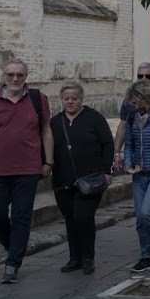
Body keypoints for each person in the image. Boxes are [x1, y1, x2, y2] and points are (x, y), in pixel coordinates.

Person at [0, 59, 53, 284]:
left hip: (28, 170)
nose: (15, 79)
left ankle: (13, 264)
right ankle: (12, 246)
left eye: (20, 75)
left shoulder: (38, 99)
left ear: (26, 77)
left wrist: (49, 162)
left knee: (21, 216)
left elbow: (46, 130)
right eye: (10, 74)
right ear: (4, 76)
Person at [49, 81, 115, 275]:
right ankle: (74, 258)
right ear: (61, 100)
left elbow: (108, 144)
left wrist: (107, 171)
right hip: (62, 180)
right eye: (66, 98)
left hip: (90, 179)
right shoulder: (55, 122)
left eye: (74, 98)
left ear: (81, 99)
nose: (70, 102)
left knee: (83, 216)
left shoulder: (94, 118)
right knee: (70, 218)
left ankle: (88, 257)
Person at [122, 79, 150, 272]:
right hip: (139, 173)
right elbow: (129, 145)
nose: (133, 105)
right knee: (141, 218)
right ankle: (146, 256)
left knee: (147, 211)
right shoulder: (132, 118)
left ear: (146, 98)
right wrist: (128, 165)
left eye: (135, 101)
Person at [111, 63, 150, 173]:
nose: (143, 79)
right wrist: (117, 153)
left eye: (148, 76)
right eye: (140, 76)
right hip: (138, 162)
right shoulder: (130, 98)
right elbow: (123, 126)